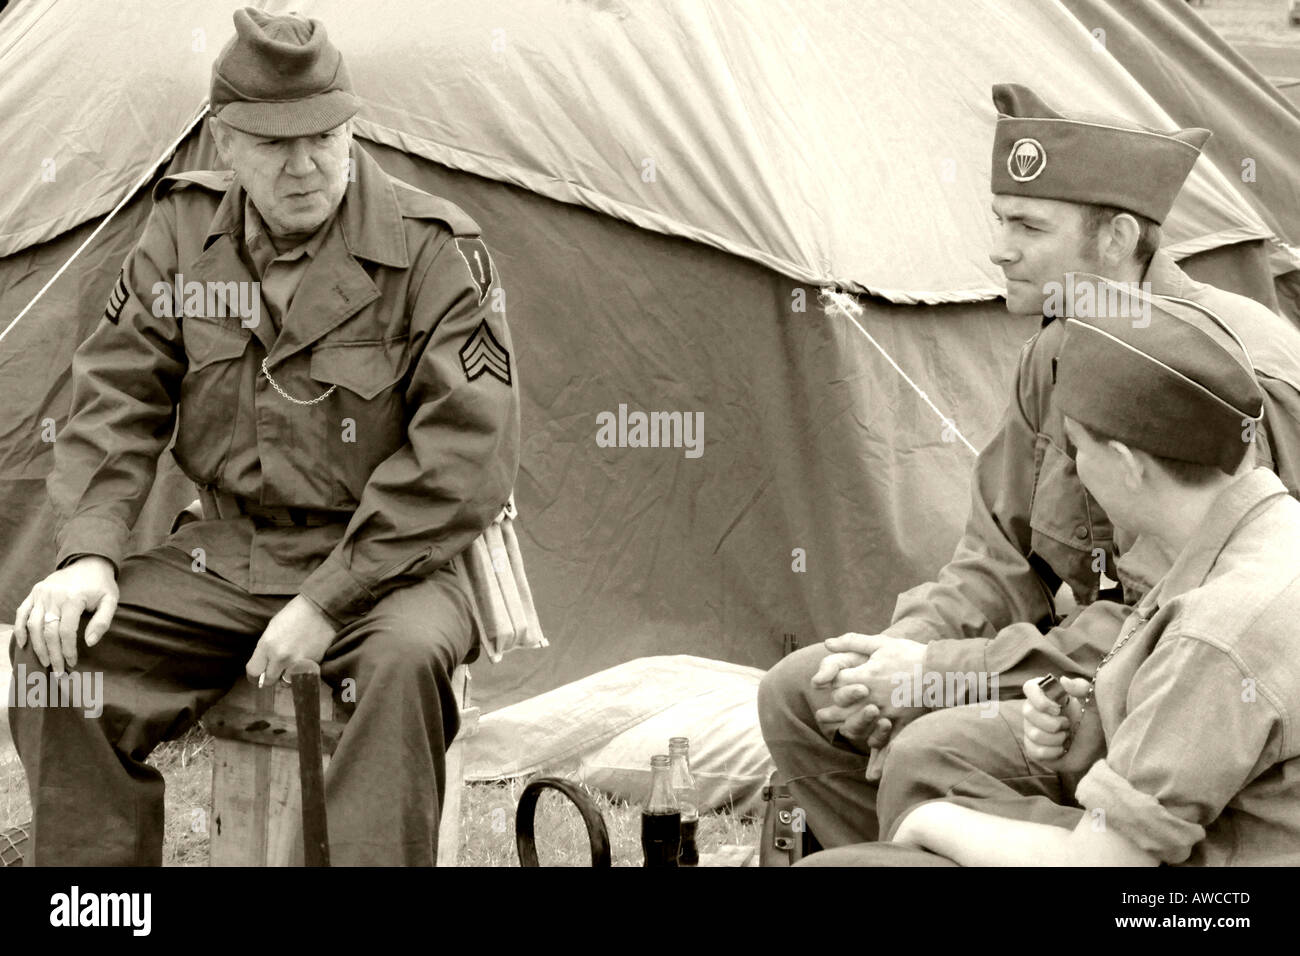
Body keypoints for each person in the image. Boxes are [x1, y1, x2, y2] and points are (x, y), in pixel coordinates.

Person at [8, 7, 519, 865]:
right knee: (55, 660)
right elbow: (116, 402)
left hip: (390, 564)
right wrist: (90, 551)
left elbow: (466, 461)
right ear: (223, 140)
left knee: (400, 667)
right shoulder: (180, 234)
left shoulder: (435, 251)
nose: (305, 164)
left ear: (350, 124)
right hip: (226, 555)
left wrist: (325, 602)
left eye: (324, 135)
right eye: (276, 142)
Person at [759, 83, 1300, 851]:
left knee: (931, 753)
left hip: (1181, 695)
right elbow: (999, 556)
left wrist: (939, 674)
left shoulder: (1227, 377)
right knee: (804, 692)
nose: (998, 247)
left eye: (1026, 225)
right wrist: (898, 653)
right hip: (1069, 674)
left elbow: (1201, 624)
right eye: (998, 219)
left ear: (1115, 238)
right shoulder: (1057, 350)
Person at [878, 281, 1300, 865]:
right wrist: (1090, 727)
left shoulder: (1217, 628)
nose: (1074, 468)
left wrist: (927, 821)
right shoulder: (1263, 540)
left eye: (1077, 450)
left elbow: (1104, 867)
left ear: (1126, 466)